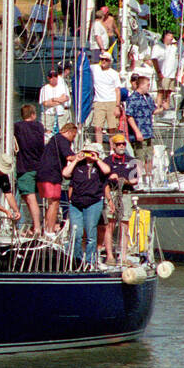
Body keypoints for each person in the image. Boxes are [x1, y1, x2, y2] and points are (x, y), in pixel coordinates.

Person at [63, 142, 111, 267]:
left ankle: (90, 260)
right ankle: (77, 260)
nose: (88, 155)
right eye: (86, 152)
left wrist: (97, 159)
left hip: (93, 202)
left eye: (91, 152)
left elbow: (107, 170)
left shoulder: (99, 167)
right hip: (76, 203)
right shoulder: (78, 166)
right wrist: (76, 159)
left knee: (91, 233)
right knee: (76, 234)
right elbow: (65, 174)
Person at [103, 134, 140, 266]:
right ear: (113, 146)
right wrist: (110, 201)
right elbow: (104, 184)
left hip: (125, 194)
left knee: (124, 225)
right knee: (110, 225)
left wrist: (126, 181)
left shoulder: (131, 161)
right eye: (118, 144)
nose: (121, 146)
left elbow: (135, 180)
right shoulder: (107, 161)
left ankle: (123, 257)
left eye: (123, 144)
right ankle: (110, 256)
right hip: (112, 194)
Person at [37, 120, 76, 234]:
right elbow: (69, 156)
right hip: (50, 175)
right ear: (69, 132)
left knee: (52, 203)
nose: (73, 139)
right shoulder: (62, 140)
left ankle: (48, 228)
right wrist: (81, 157)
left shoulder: (55, 139)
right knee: (54, 202)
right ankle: (49, 230)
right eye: (73, 136)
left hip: (45, 174)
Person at [123, 74, 161, 184]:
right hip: (139, 133)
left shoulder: (148, 97)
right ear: (142, 85)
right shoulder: (133, 98)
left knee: (149, 156)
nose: (148, 87)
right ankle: (138, 180)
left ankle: (149, 179)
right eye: (147, 85)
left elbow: (152, 111)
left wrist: (162, 108)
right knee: (139, 157)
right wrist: (137, 132)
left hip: (148, 132)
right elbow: (129, 116)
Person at [13, 104, 45, 230]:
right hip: (39, 166)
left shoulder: (17, 127)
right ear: (33, 115)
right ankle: (35, 226)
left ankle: (36, 227)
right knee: (33, 199)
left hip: (25, 167)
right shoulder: (39, 126)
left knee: (30, 199)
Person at [89, 51, 123, 144]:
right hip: (99, 102)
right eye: (102, 59)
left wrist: (117, 106)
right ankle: (99, 147)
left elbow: (117, 90)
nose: (103, 61)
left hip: (111, 102)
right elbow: (85, 65)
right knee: (97, 127)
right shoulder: (95, 68)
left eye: (106, 60)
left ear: (110, 62)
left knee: (112, 128)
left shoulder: (114, 73)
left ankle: (112, 149)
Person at [38, 66, 68, 132]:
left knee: (62, 132)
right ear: (48, 78)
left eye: (55, 76)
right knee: (47, 133)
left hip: (60, 115)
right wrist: (60, 101)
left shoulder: (62, 87)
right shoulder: (44, 89)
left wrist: (53, 99)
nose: (54, 78)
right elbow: (45, 103)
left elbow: (66, 98)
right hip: (48, 115)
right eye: (51, 77)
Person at [157, 32, 179, 110]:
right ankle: (158, 108)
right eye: (169, 36)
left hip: (172, 74)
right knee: (161, 92)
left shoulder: (173, 48)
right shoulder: (159, 47)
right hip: (164, 74)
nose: (171, 38)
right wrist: (159, 72)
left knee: (168, 93)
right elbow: (154, 59)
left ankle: (167, 109)